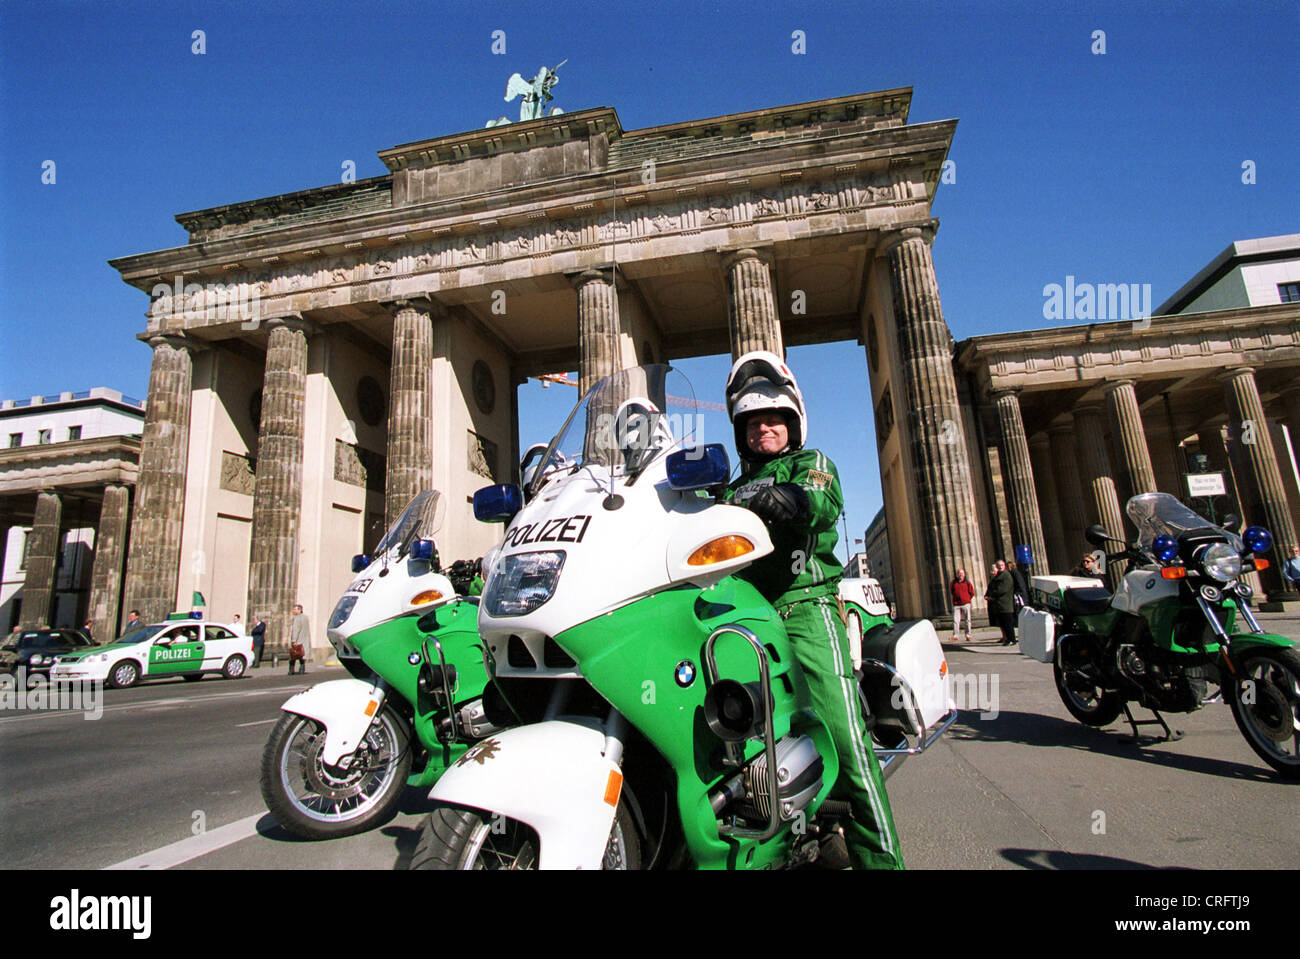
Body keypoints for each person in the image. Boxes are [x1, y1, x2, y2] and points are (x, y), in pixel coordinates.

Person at [724, 350, 903, 870]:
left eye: (773, 420)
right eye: (753, 422)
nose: (763, 430)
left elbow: (820, 499)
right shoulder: (729, 490)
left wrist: (794, 500)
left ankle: (884, 865)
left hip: (805, 607)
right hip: (742, 616)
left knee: (846, 744)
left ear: (792, 423)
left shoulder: (811, 463)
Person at [985, 559, 1016, 645]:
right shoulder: (999, 576)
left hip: (1005, 604)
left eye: (1001, 565)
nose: (1000, 567)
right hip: (999, 604)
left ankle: (1011, 639)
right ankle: (1006, 638)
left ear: (1004, 566)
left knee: (1008, 624)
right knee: (1002, 623)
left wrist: (992, 595)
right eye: (998, 566)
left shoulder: (1006, 576)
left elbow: (1002, 589)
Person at [950, 569, 975, 642]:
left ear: (964, 574)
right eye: (959, 573)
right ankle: (955, 636)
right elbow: (952, 591)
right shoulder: (953, 583)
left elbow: (972, 592)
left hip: (966, 603)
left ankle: (968, 635)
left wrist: (967, 599)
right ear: (957, 574)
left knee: (967, 620)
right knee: (956, 620)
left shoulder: (967, 583)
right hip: (957, 604)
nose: (960, 575)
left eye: (962, 573)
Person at [288, 603, 309, 675]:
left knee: (293, 655)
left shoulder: (297, 618)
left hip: (298, 640)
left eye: (294, 609)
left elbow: (295, 630)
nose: (293, 611)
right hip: (304, 639)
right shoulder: (305, 617)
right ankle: (302, 669)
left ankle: (291, 670)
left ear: (299, 610)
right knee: (302, 655)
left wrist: (293, 640)